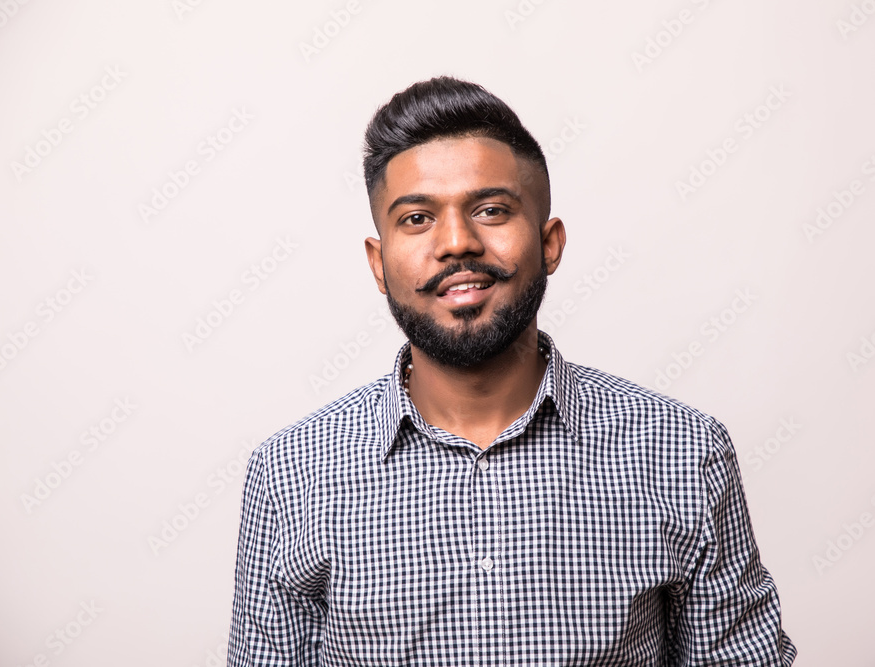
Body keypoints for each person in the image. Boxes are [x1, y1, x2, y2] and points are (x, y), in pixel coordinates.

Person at [227, 75, 796, 666]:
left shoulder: (684, 452)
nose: (457, 243)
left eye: (492, 210)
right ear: (378, 263)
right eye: (417, 218)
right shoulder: (290, 474)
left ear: (550, 243)